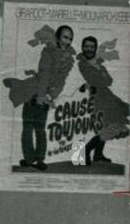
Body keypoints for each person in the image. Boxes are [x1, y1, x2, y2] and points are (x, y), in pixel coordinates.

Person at [20, 25, 75, 171]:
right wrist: (44, 95)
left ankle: (37, 160)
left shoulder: (68, 59)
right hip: (35, 93)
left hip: (41, 95)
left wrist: (47, 96)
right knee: (29, 128)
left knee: (37, 129)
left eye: (70, 38)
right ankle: (30, 159)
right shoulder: (49, 52)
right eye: (65, 37)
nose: (67, 41)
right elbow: (44, 75)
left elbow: (60, 80)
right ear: (57, 37)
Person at [77, 35, 128, 165]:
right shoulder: (82, 63)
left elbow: (109, 81)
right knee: (108, 126)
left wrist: (99, 71)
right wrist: (99, 75)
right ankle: (86, 150)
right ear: (82, 47)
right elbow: (97, 80)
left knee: (109, 124)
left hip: (108, 96)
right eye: (86, 46)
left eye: (92, 47)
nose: (89, 49)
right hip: (98, 98)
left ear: (95, 49)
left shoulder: (98, 64)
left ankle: (98, 154)